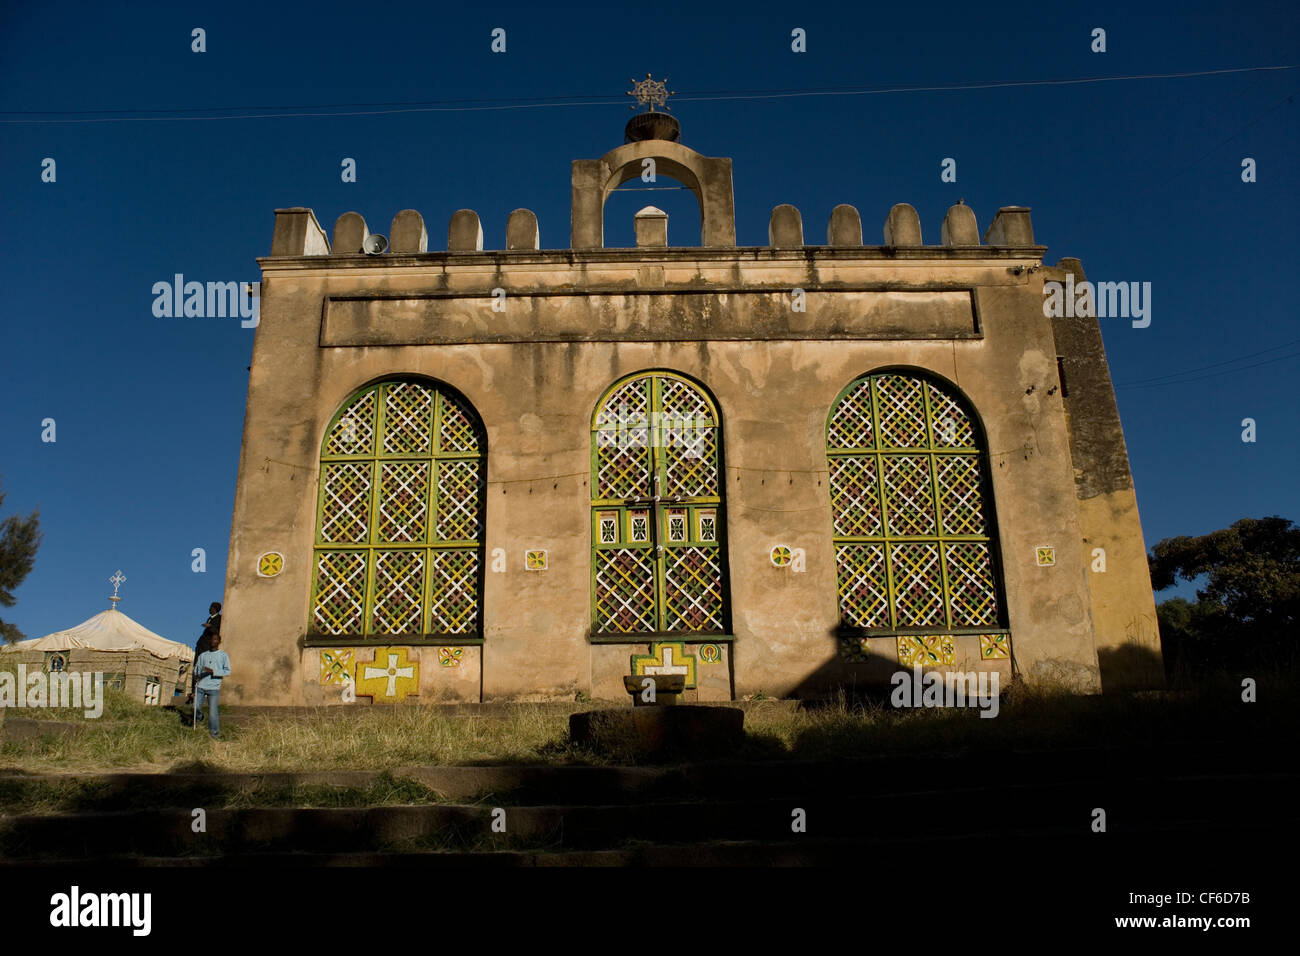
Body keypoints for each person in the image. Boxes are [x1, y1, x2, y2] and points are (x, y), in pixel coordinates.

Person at [193, 632, 231, 739]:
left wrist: (213, 671)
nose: (213, 641)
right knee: (196, 708)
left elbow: (227, 671)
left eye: (215, 639)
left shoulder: (223, 655)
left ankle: (215, 734)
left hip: (213, 688)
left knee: (213, 713)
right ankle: (199, 720)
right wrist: (196, 677)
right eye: (212, 639)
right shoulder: (203, 655)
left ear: (219, 642)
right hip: (200, 686)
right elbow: (196, 670)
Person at [186, 603, 221, 706]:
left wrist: (210, 626)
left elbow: (217, 631)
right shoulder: (209, 618)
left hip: (207, 647)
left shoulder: (218, 619)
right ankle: (194, 691)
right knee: (197, 668)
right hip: (201, 646)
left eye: (211, 607)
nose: (209, 609)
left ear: (215, 609)